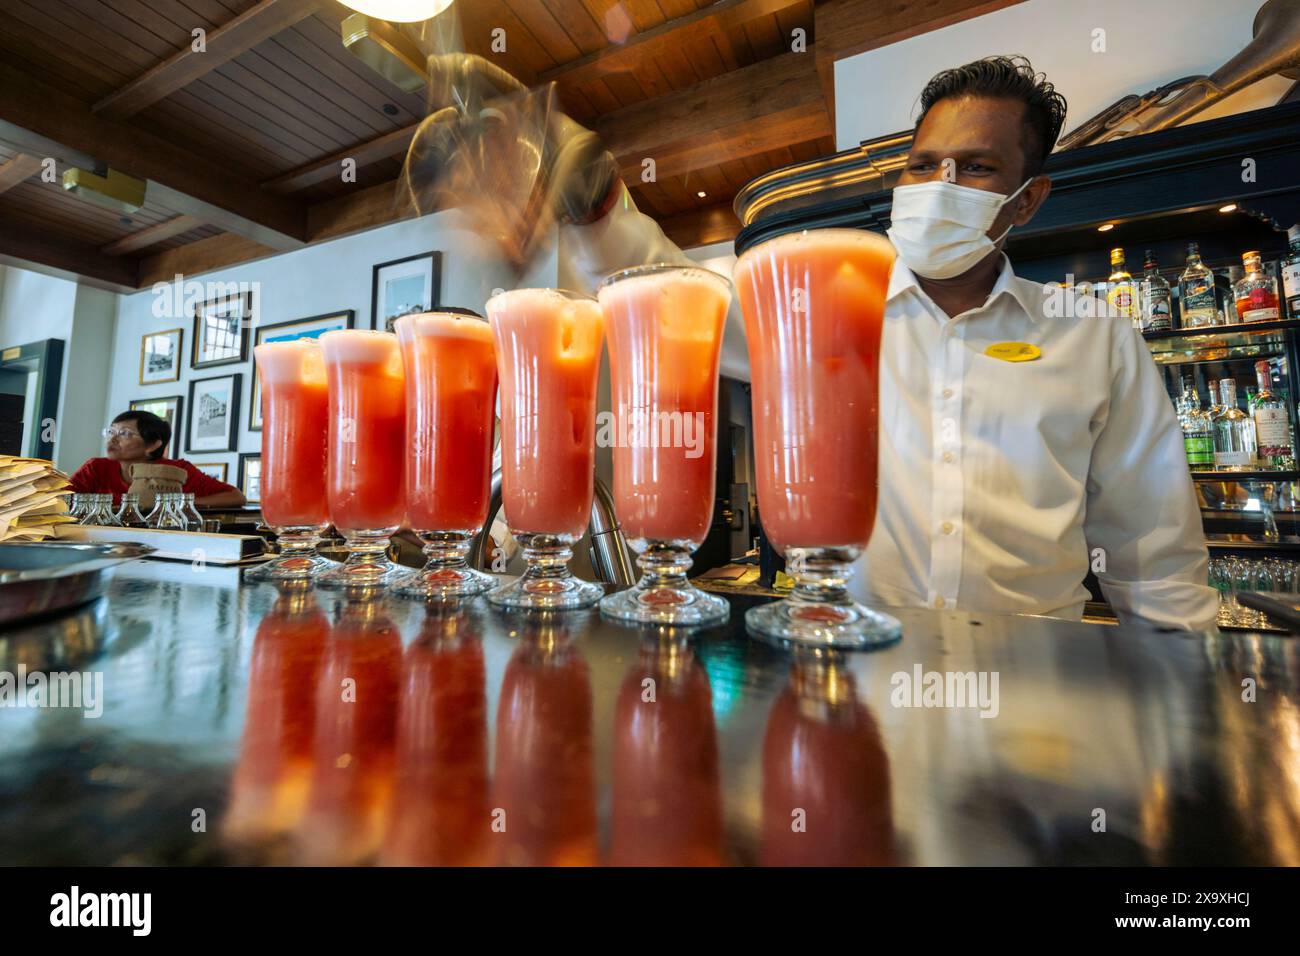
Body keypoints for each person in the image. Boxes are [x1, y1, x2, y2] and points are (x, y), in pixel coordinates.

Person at [69, 410, 246, 508]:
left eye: (124, 434)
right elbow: (60, 501)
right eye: (111, 432)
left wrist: (179, 503)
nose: (113, 439)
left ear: (152, 444)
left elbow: (235, 497)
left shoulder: (176, 471)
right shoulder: (95, 468)